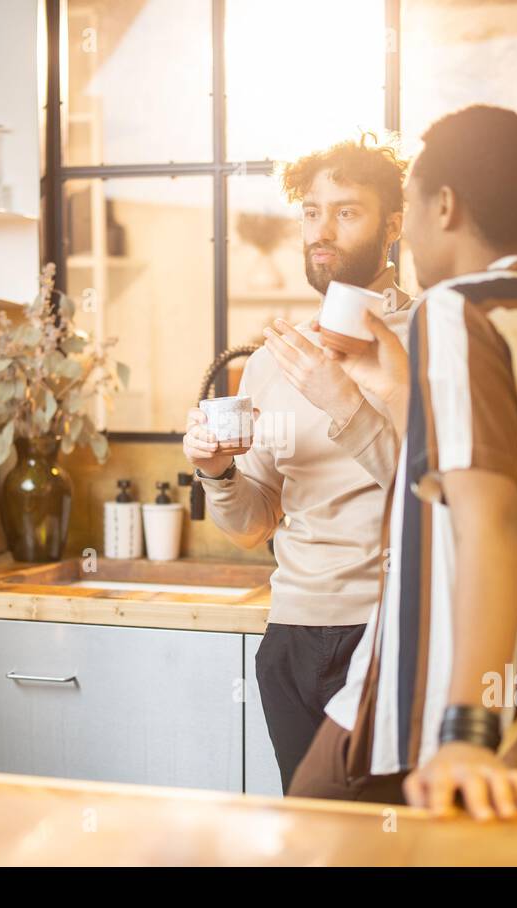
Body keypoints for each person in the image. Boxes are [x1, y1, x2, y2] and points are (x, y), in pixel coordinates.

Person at [289, 106, 517, 819]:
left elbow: (490, 518)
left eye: (409, 202)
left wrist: (465, 731)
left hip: (428, 714)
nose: (405, 228)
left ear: (444, 205)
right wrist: (397, 391)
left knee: (305, 824)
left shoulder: (453, 311)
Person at [182, 138, 412, 792]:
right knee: (313, 837)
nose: (322, 231)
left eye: (346, 212)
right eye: (311, 213)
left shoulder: (430, 339)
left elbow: (441, 495)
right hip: (290, 639)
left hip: (387, 634)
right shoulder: (273, 358)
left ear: (393, 225)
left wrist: (344, 401)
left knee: (383, 847)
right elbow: (254, 521)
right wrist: (217, 472)